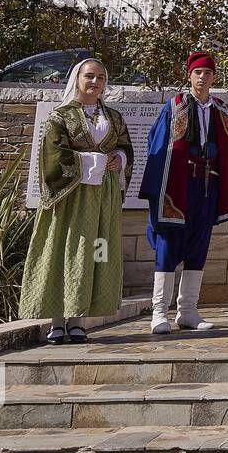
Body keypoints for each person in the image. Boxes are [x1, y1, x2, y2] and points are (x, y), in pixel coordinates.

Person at [19, 59, 133, 344]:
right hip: (70, 195)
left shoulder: (115, 117)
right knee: (67, 250)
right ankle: (58, 321)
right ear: (77, 78)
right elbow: (53, 157)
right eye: (90, 76)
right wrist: (94, 161)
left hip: (102, 197)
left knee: (97, 250)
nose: (95, 82)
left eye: (101, 78)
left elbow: (124, 146)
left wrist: (119, 159)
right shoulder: (60, 117)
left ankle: (79, 320)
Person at [139, 51, 228, 334]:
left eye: (208, 73)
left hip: (207, 187)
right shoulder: (174, 107)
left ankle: (188, 311)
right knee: (169, 244)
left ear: (214, 77)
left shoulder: (221, 110)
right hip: (178, 186)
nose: (203, 77)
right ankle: (159, 312)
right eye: (198, 72)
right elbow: (157, 144)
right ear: (189, 76)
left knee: (199, 246)